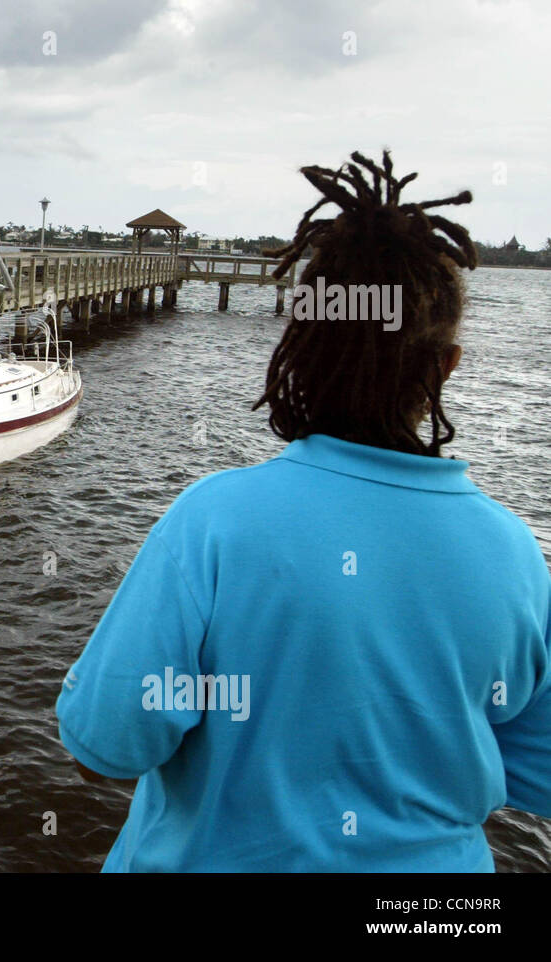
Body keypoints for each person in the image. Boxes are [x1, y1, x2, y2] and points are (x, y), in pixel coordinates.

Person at [56, 151, 551, 872]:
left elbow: (106, 745)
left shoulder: (215, 522)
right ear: (445, 366)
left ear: (301, 342)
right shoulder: (514, 554)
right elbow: (537, 772)